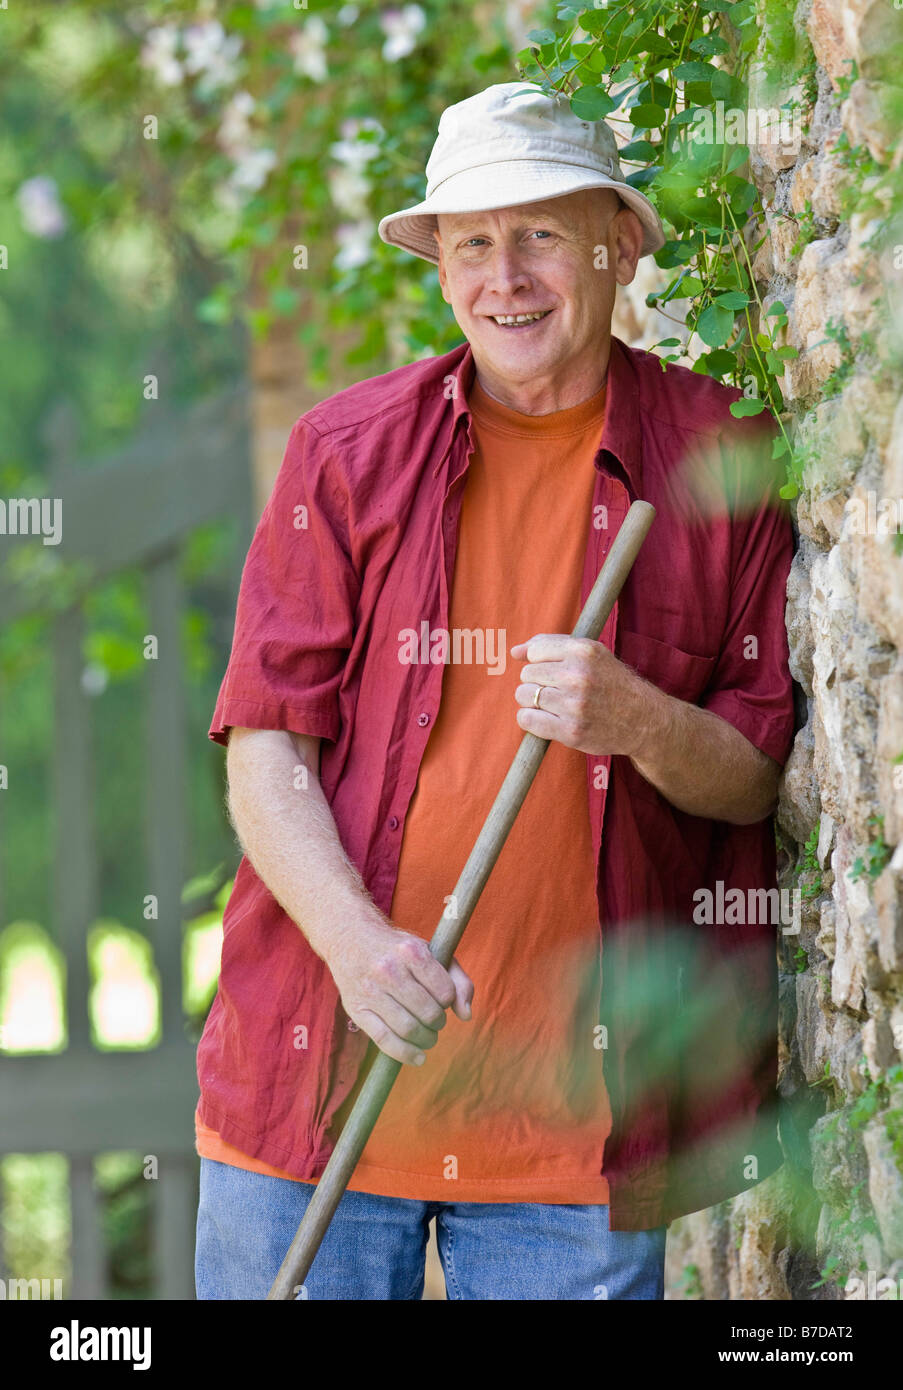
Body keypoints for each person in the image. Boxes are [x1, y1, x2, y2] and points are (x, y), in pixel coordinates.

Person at [193, 81, 796, 1301]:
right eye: (473, 241)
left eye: (539, 235)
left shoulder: (723, 460)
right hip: (318, 1099)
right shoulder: (346, 454)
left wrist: (633, 716)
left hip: (571, 1145)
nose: (504, 277)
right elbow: (265, 747)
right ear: (439, 266)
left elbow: (754, 774)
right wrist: (362, 950)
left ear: (615, 245)